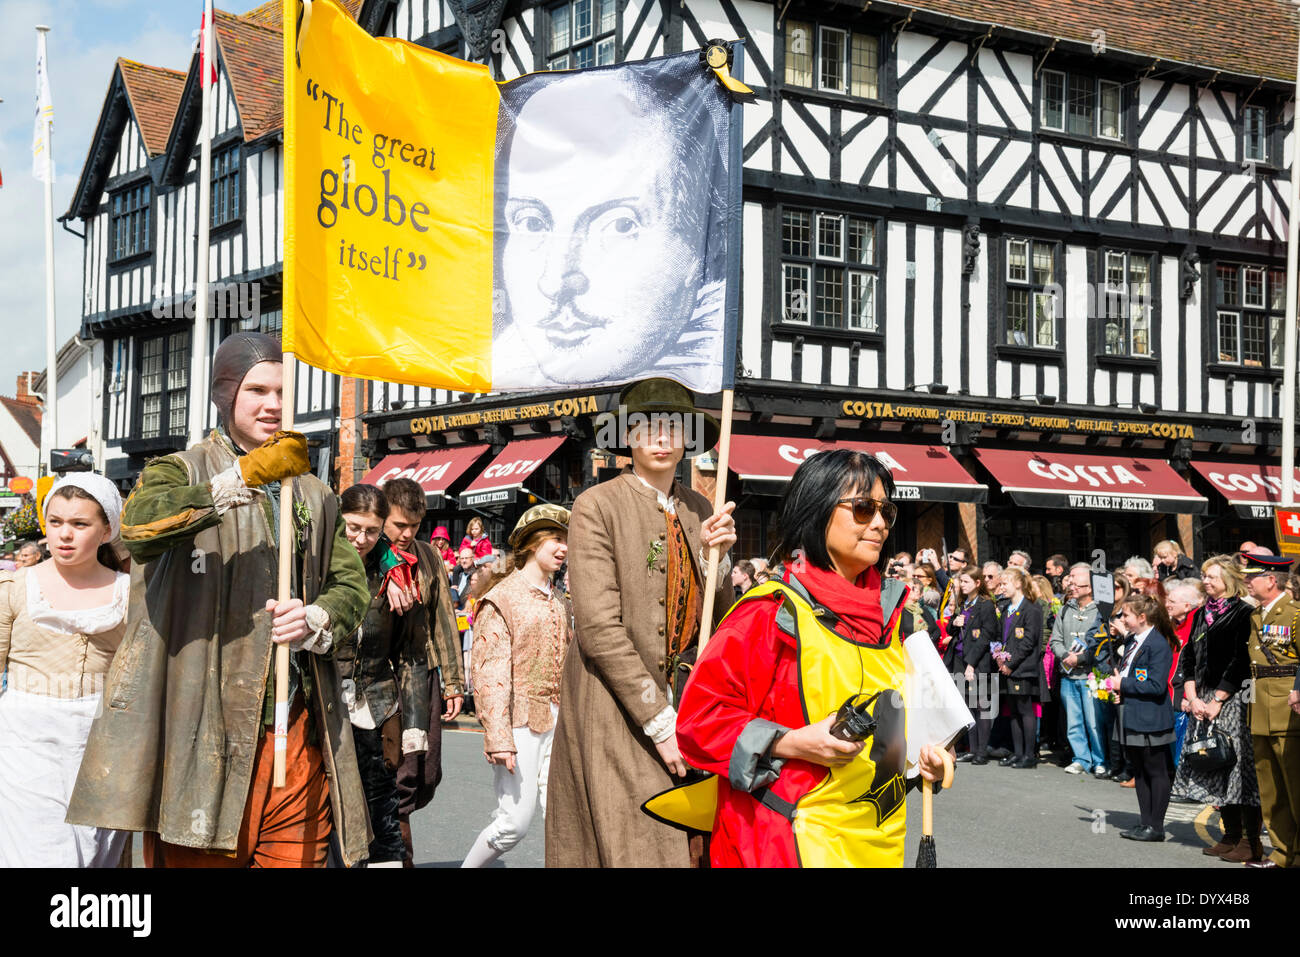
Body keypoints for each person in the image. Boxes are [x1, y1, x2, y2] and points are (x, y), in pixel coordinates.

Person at [66, 332, 371, 868]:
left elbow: (350, 587)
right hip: (198, 726)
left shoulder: (317, 494)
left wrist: (318, 616)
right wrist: (240, 479)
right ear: (225, 393)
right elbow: (138, 528)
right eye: (257, 390)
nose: (273, 404)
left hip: (294, 728)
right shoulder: (178, 469)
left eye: (283, 391)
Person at [673, 449, 952, 867]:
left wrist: (927, 760)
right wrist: (793, 742)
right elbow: (698, 723)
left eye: (885, 510)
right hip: (782, 845)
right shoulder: (768, 613)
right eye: (862, 508)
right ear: (817, 512)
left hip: (879, 848)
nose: (878, 523)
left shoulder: (898, 617)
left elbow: (899, 742)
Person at [546, 379, 735, 867]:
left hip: (689, 708)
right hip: (615, 709)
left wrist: (721, 562)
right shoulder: (597, 505)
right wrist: (657, 719)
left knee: (692, 848)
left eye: (673, 426)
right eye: (647, 426)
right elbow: (598, 629)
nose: (661, 436)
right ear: (627, 436)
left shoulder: (700, 508)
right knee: (634, 847)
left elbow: (716, 621)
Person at [492, 66, 728, 389]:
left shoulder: (712, 365)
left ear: (702, 247)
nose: (555, 281)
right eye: (532, 223)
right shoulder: (497, 361)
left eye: (620, 225)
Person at [0, 475, 130, 867]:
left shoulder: (129, 592)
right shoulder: (15, 587)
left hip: (101, 739)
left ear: (106, 529)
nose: (64, 535)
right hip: (26, 742)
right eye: (55, 522)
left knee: (94, 856)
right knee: (42, 853)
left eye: (79, 524)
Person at [463, 506, 571, 867]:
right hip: (520, 723)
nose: (563, 548)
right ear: (530, 543)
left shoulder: (558, 598)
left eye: (565, 540)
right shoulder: (502, 598)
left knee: (563, 818)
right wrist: (498, 736)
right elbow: (489, 672)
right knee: (513, 823)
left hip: (560, 722)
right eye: (555, 539)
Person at [335, 483, 432, 867]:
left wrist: (414, 726)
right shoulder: (312, 565)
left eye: (371, 531)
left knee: (382, 814)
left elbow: (413, 653)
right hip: (321, 708)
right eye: (353, 527)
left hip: (375, 706)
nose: (361, 539)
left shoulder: (400, 574)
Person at [380, 478, 466, 867]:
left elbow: (444, 622)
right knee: (395, 777)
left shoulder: (430, 556)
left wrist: (453, 682)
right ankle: (397, 856)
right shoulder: (368, 552)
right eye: (399, 524)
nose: (407, 533)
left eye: (414, 525)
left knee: (425, 772)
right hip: (380, 677)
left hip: (422, 673)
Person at [1172, 555, 1261, 862]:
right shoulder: (1199, 614)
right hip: (1203, 697)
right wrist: (1193, 696)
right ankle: (1230, 834)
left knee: (1239, 771)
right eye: (1205, 576)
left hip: (1233, 698)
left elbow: (1240, 662)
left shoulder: (1244, 613)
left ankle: (1250, 841)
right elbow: (1188, 658)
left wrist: (1217, 700)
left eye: (1212, 576)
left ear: (1229, 579)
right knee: (1215, 768)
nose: (1206, 581)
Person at [1102, 592, 1178, 842]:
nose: (1122, 619)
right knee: (1140, 771)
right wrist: (1120, 689)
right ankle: (1145, 821)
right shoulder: (1134, 639)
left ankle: (1156, 826)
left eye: (1126, 615)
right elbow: (1133, 676)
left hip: (1150, 717)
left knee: (1156, 771)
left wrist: (1123, 683)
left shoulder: (1157, 644)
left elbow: (1156, 685)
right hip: (1132, 712)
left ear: (1142, 617)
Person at [1240, 554, 1300, 868]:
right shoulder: (1255, 616)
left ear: (1271, 580)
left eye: (1253, 576)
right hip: (1260, 709)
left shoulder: (1294, 614)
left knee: (1295, 786)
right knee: (1271, 789)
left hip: (1288, 710)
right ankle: (1282, 852)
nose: (1247, 581)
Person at [1051, 564, 1110, 777]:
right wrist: (1065, 656)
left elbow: (1103, 643)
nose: (1072, 586)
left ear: (1091, 586)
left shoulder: (1102, 609)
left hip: (1090, 676)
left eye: (1077, 583)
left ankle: (1100, 760)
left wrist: (1081, 658)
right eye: (1071, 582)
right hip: (1068, 674)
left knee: (1094, 723)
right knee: (1073, 722)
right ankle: (1080, 759)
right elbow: (1055, 639)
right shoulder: (1066, 608)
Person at [949, 568, 999, 764]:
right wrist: (955, 622)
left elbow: (986, 635)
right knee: (968, 705)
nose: (962, 585)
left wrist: (971, 664)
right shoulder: (963, 604)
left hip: (978, 661)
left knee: (981, 705)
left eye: (967, 581)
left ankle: (981, 751)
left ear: (978, 583)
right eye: (961, 581)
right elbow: (950, 629)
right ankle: (972, 747)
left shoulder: (985, 605)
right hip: (960, 658)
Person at [997, 567, 1044, 768]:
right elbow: (1001, 637)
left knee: (1025, 710)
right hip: (1006, 667)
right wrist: (999, 658)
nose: (1001, 588)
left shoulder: (1031, 609)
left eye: (1004, 583)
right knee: (1013, 711)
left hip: (1022, 668)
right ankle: (1017, 753)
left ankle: (1029, 755)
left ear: (1017, 584)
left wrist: (1011, 663)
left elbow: (1028, 641)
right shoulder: (1007, 608)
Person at [1165, 580, 1204, 767]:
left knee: (1182, 746)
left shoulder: (1197, 624)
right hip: (1169, 694)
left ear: (1187, 606)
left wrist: (1187, 696)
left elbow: (1194, 665)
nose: (1167, 604)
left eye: (1172, 601)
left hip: (1185, 696)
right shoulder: (1172, 624)